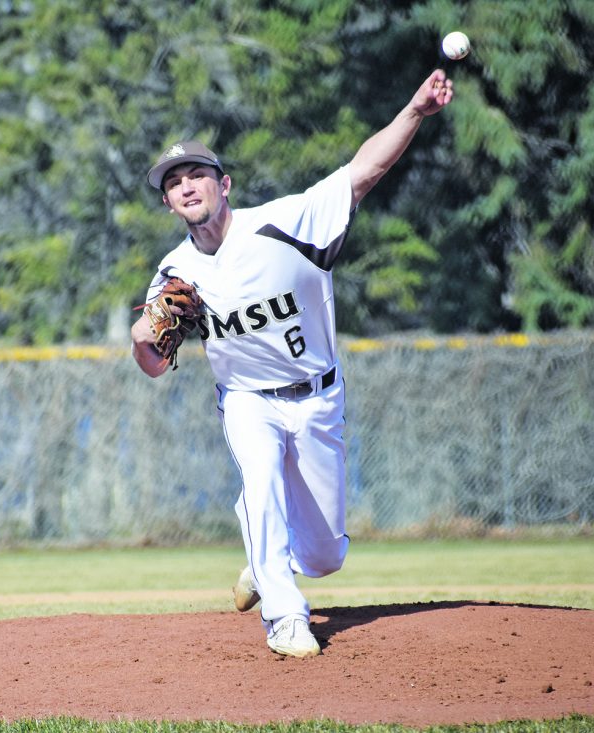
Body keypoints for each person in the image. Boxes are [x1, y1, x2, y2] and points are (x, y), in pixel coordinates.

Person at [131, 69, 454, 657]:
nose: (185, 186)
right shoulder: (176, 274)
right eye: (173, 182)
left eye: (196, 173)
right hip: (248, 401)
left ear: (224, 183)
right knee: (259, 479)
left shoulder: (285, 223)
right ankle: (284, 616)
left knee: (327, 556)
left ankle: (264, 559)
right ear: (167, 202)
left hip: (318, 396)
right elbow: (152, 361)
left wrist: (413, 109)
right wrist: (142, 337)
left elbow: (363, 173)